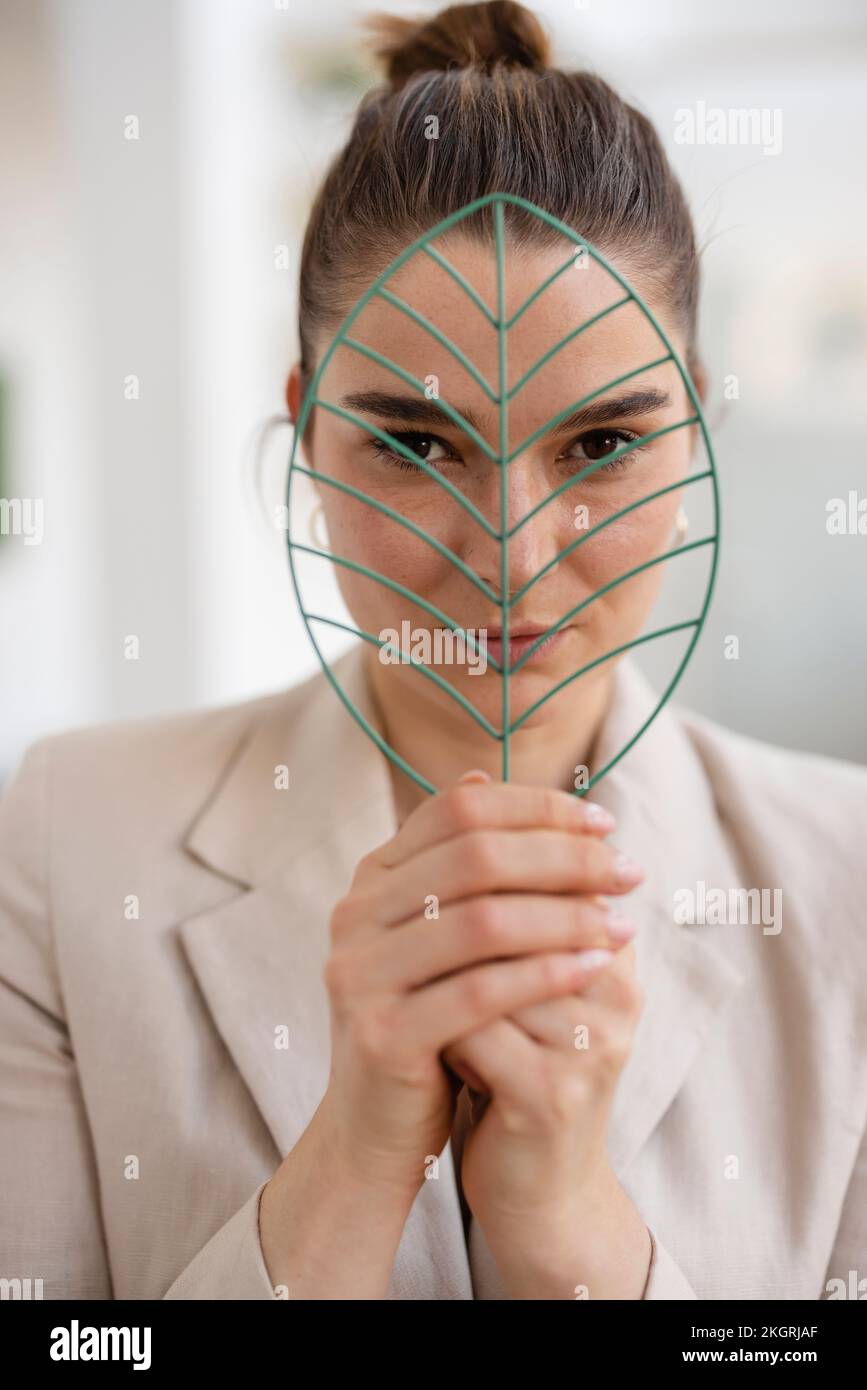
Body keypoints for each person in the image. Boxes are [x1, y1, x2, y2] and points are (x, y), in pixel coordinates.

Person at [1, 0, 865, 1301]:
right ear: (304, 430)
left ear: (698, 427)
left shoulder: (849, 883)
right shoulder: (71, 843)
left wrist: (567, 1224)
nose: (507, 554)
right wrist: (349, 1161)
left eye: (600, 442)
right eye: (415, 443)